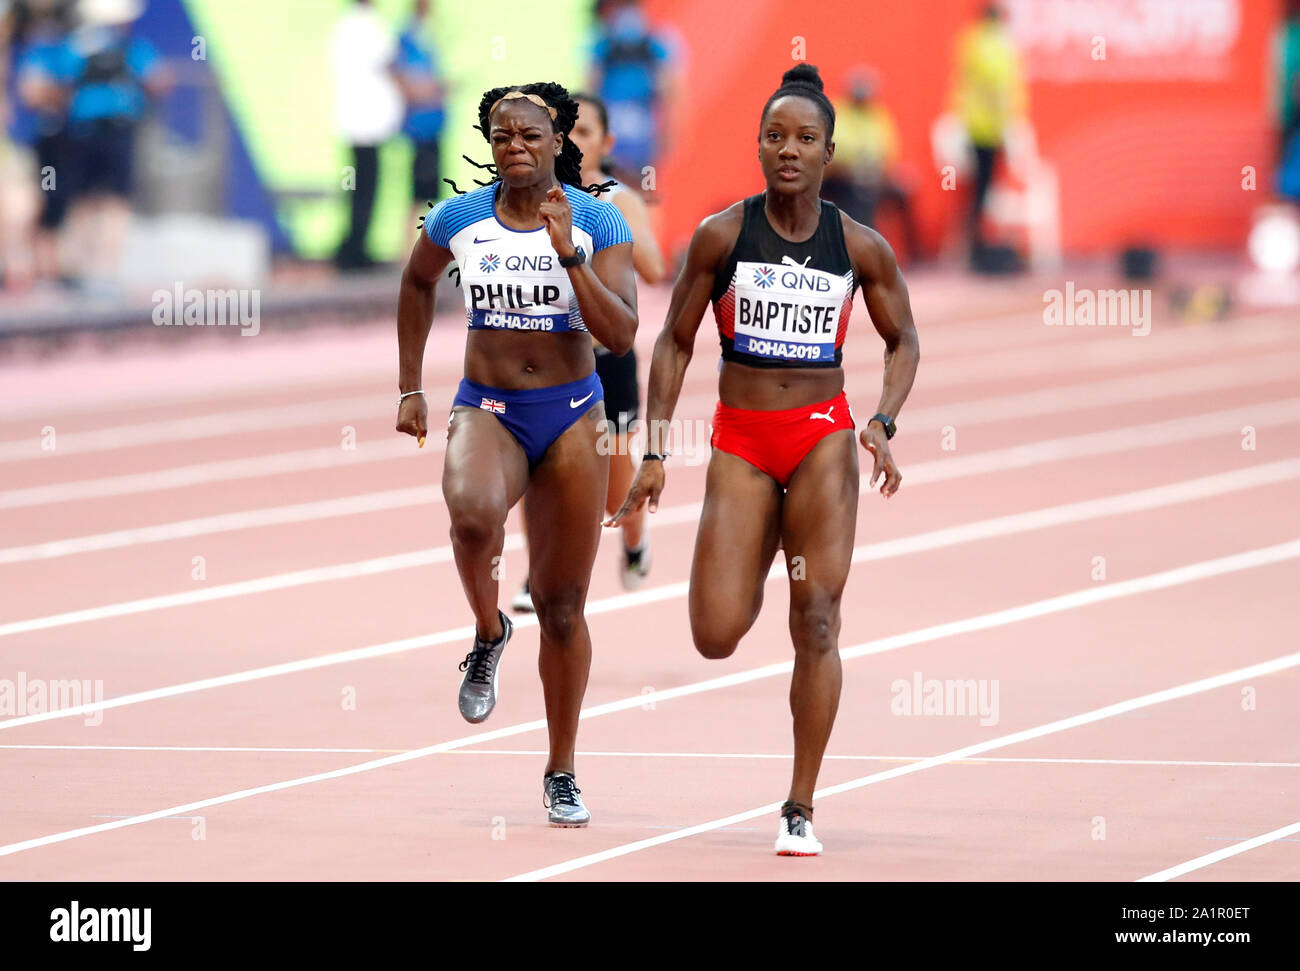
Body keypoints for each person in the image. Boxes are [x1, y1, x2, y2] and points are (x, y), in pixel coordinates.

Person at [609, 64, 919, 856]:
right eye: (775, 136)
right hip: (742, 441)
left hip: (819, 437)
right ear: (757, 145)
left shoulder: (858, 247)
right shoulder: (722, 235)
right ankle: (764, 539)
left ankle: (799, 805)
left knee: (816, 619)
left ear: (829, 152)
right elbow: (676, 340)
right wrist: (652, 448)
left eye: (805, 139)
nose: (789, 150)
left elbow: (903, 340)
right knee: (715, 632)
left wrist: (881, 419)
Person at [395, 82, 637, 827]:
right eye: (501, 135)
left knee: (564, 608)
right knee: (471, 519)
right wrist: (410, 387)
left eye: (530, 135)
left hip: (570, 413)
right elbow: (415, 281)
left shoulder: (596, 218)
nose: (514, 147)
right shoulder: (459, 216)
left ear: (560, 140)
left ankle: (561, 769)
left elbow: (622, 332)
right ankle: (489, 628)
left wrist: (569, 258)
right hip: (488, 405)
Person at [513, 91, 665, 613]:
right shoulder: (530, 193)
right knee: (536, 464)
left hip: (606, 358)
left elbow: (653, 268)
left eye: (584, 133)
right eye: (565, 133)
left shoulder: (619, 199)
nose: (573, 143)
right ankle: (537, 573)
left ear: (605, 142)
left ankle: (633, 539)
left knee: (614, 472)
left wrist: (603, 215)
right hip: (549, 354)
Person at [46, 0, 167, 290]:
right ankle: (106, 272)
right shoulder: (133, 49)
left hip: (82, 134)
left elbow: (58, 86)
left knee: (83, 201)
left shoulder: (76, 48)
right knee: (115, 203)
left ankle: (82, 270)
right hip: (117, 134)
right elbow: (159, 81)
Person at [950, 2, 1026, 264]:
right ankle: (975, 247)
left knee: (981, 189)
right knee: (982, 189)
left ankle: (977, 245)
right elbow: (997, 83)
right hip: (987, 127)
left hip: (978, 124)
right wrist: (1006, 120)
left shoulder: (974, 40)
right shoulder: (994, 43)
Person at [332, 0, 403, 270]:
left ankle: (354, 247)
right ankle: (354, 251)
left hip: (358, 125)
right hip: (366, 126)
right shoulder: (367, 26)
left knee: (359, 190)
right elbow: (389, 64)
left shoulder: (347, 26)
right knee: (365, 189)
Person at [823, 67, 918, 262]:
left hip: (872, 176)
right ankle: (860, 252)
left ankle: (915, 253)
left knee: (902, 192)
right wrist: (857, 168)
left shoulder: (878, 115)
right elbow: (832, 153)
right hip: (838, 177)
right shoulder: (835, 112)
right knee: (859, 194)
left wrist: (877, 170)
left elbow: (887, 152)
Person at [588, 0, 678, 176]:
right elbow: (591, 91)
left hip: (644, 143)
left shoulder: (657, 45)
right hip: (612, 143)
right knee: (611, 190)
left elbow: (672, 95)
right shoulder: (602, 47)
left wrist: (669, 134)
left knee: (645, 191)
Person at [395, 0, 445, 238]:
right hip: (420, 128)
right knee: (418, 190)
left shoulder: (429, 37)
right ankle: (407, 247)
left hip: (433, 125)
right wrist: (430, 90)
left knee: (429, 190)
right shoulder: (408, 39)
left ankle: (425, 245)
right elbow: (407, 83)